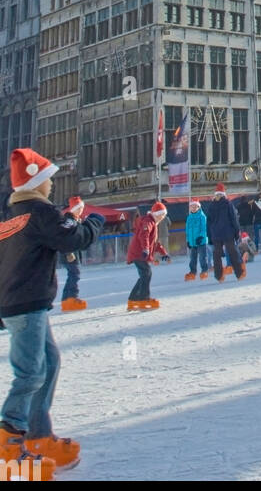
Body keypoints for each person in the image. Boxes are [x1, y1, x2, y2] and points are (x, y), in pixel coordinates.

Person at [0, 147, 103, 470]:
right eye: (49, 179)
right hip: (26, 303)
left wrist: (70, 218)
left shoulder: (13, 214)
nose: (52, 186)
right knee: (31, 372)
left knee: (49, 362)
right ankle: (9, 437)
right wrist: (93, 221)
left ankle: (38, 434)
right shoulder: (39, 211)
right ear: (37, 182)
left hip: (17, 302)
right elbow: (72, 239)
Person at [126, 201, 169, 310]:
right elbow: (143, 235)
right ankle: (143, 299)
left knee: (144, 275)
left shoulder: (153, 223)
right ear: (156, 214)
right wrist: (145, 248)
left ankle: (133, 299)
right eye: (162, 215)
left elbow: (155, 242)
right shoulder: (148, 221)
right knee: (146, 273)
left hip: (140, 253)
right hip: (138, 253)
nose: (163, 217)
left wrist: (163, 253)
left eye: (164, 215)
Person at [208, 185, 245, 281]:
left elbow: (209, 222)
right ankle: (239, 273)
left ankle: (219, 276)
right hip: (228, 232)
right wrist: (237, 232)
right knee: (233, 253)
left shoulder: (211, 205)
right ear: (224, 194)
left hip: (216, 234)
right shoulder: (228, 204)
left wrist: (209, 236)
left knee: (217, 255)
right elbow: (234, 218)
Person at [60, 197, 88, 312]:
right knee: (75, 274)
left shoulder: (76, 220)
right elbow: (64, 237)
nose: (81, 210)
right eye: (79, 208)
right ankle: (71, 298)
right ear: (74, 208)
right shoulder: (69, 221)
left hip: (73, 252)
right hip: (69, 253)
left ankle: (66, 300)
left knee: (73, 274)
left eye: (82, 208)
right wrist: (68, 252)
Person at [184, 199, 210, 280]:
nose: (193, 208)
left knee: (202, 257)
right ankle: (192, 272)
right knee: (192, 258)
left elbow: (204, 228)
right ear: (189, 208)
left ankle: (204, 271)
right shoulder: (189, 218)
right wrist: (188, 240)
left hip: (201, 241)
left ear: (199, 207)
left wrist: (201, 236)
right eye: (192, 206)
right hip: (192, 242)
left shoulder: (202, 216)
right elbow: (187, 230)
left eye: (195, 206)